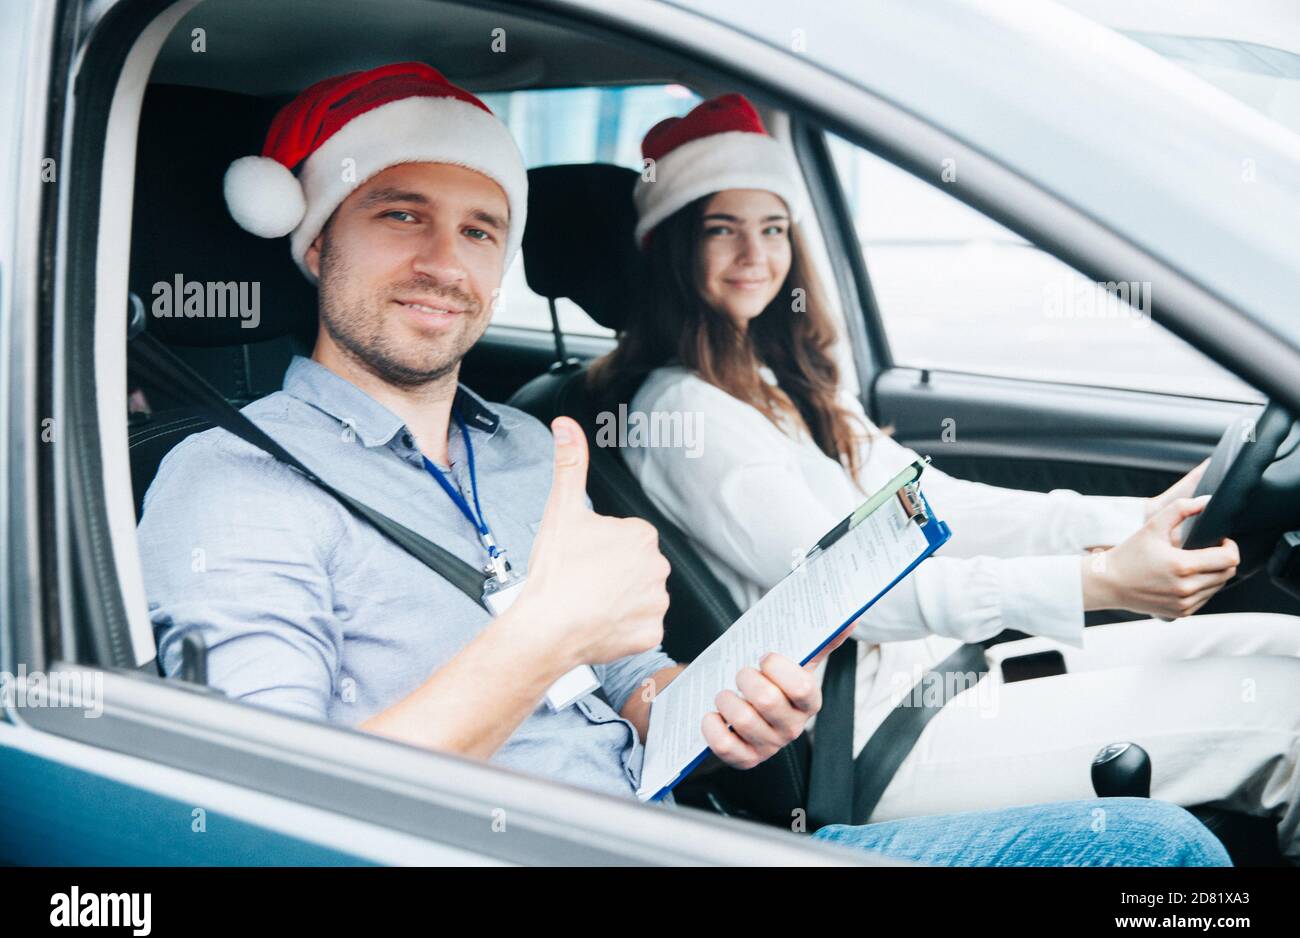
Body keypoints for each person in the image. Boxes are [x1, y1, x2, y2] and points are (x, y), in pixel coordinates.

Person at [136, 63, 1230, 866]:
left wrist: (709, 704)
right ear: (316, 237)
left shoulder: (527, 446)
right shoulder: (231, 484)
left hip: (669, 827)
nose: (443, 261)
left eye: (479, 231)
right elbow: (263, 820)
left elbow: (624, 690)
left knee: (1155, 850)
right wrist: (547, 630)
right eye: (399, 214)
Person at [593, 92, 1300, 859]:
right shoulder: (685, 416)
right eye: (719, 229)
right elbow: (845, 595)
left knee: (1285, 649)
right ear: (670, 248)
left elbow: (941, 503)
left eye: (771, 228)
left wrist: (1126, 522)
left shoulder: (777, 381)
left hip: (939, 672)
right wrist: (1096, 584)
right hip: (862, 733)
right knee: (1290, 718)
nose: (756, 256)